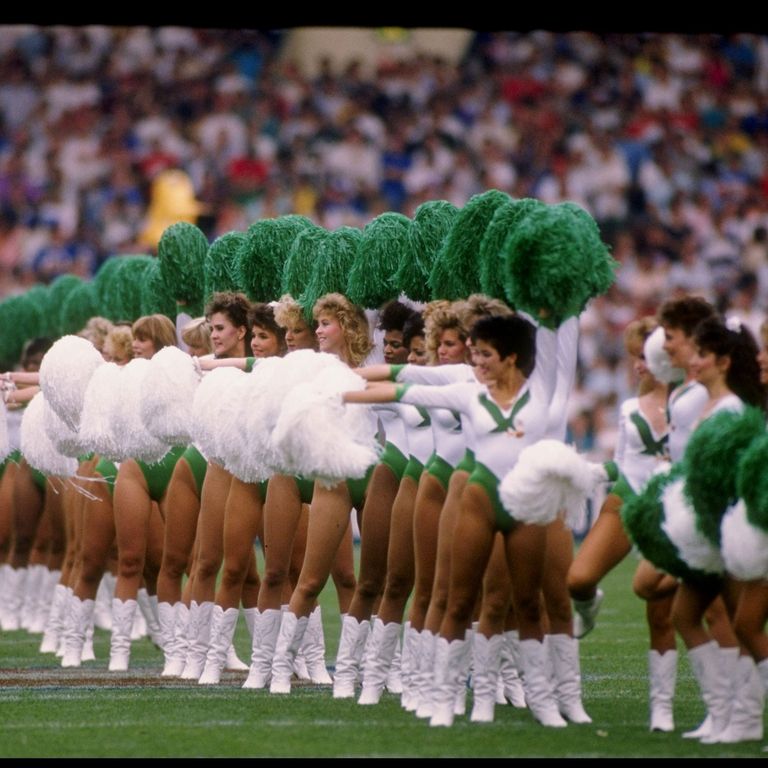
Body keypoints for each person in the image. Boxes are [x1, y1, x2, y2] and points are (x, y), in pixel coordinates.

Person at [344, 312, 568, 728]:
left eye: (484, 355)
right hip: (476, 498)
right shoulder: (469, 393)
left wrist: (557, 309)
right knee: (456, 598)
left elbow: (558, 348)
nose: (475, 362)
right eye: (474, 354)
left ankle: (540, 700)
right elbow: (404, 388)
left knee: (525, 605)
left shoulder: (541, 395)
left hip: (524, 505)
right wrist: (336, 389)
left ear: (511, 358)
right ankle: (445, 696)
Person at [243, 294, 355, 691]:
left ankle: (330, 665)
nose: (290, 338)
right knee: (275, 571)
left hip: (328, 475)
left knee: (340, 574)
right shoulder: (280, 370)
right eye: (286, 331)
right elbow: (241, 365)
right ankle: (263, 666)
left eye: (299, 331)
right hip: (288, 473)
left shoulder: (345, 367)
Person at [567, 317, 673, 731]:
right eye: (633, 357)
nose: (638, 365)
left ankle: (661, 709)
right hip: (626, 498)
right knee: (577, 579)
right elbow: (628, 462)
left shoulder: (692, 402)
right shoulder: (630, 406)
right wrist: (589, 472)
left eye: (644, 356)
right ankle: (589, 606)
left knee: (660, 614)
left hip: (669, 509)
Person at [666, 315, 766, 744]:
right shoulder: (705, 404)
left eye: (703, 354)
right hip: (710, 532)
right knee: (687, 615)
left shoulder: (733, 411)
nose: (694, 360)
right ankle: (727, 713)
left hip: (733, 533)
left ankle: (741, 717)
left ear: (723, 362)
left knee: (743, 624)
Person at [268, 292, 373, 695]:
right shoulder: (310, 370)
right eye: (316, 324)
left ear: (346, 326)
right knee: (310, 580)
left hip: (373, 476)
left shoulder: (373, 366)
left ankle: (357, 671)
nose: (318, 330)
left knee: (367, 580)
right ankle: (279, 667)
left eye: (325, 323)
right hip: (330, 478)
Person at [197, 302, 286, 685]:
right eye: (256, 335)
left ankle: (290, 660)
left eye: (266, 336)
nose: (257, 342)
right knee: (228, 566)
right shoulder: (232, 370)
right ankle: (210, 657)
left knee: (288, 572)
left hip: (283, 474)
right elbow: (206, 359)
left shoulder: (290, 370)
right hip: (242, 471)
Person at [178, 291, 253, 680]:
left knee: (249, 568)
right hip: (219, 465)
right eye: (212, 328)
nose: (215, 335)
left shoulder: (262, 364)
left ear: (242, 330)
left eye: (221, 328)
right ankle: (198, 655)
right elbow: (196, 364)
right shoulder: (207, 367)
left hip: (260, 469)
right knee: (207, 560)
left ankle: (271, 656)